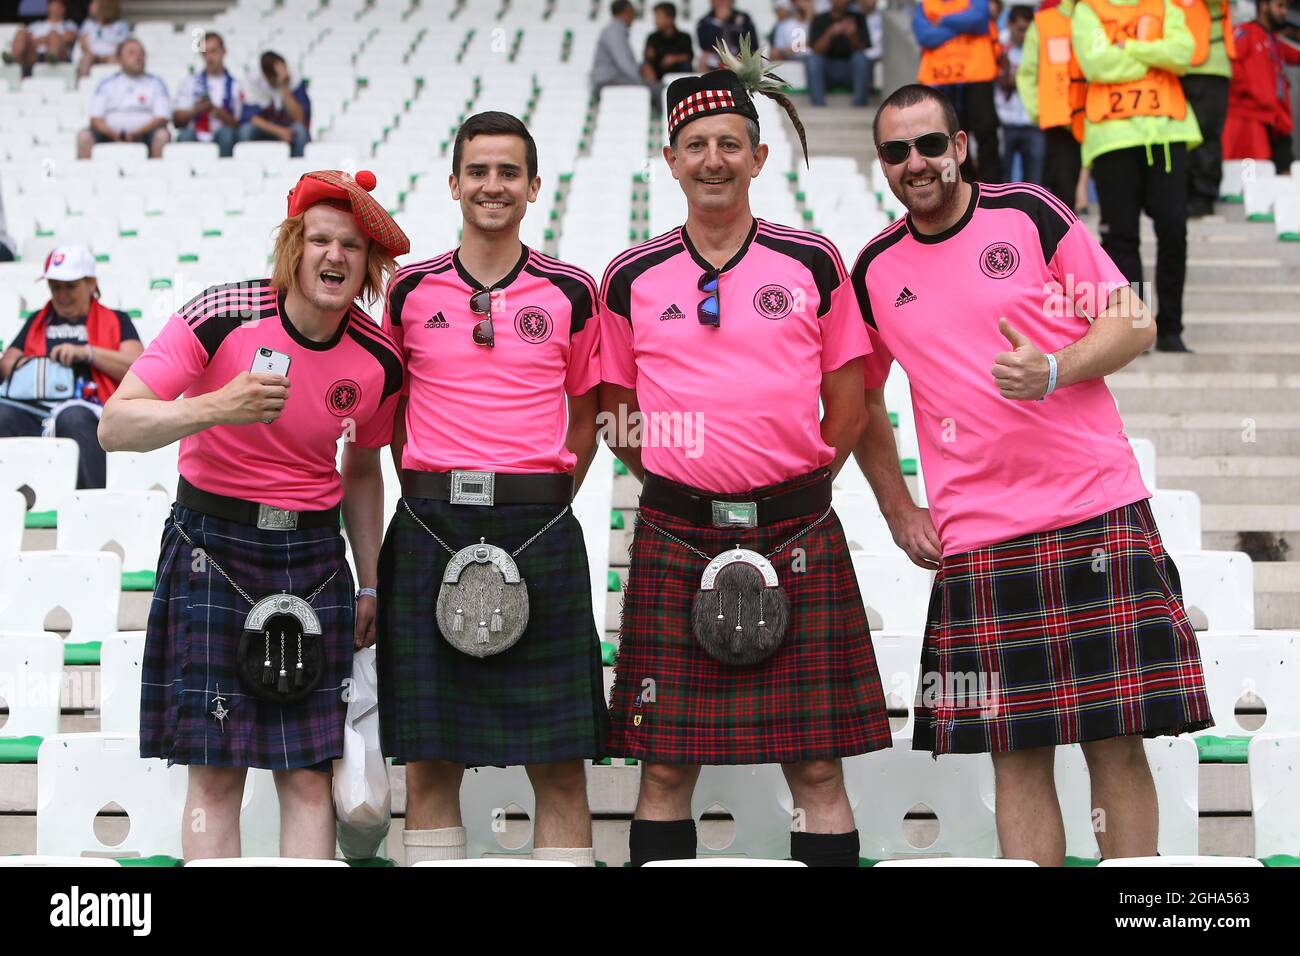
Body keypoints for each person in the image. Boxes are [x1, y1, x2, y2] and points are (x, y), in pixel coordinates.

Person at [848, 84, 1212, 867]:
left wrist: (1054, 368)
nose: (917, 163)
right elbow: (860, 400)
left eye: (930, 145)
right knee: (1015, 751)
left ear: (962, 145)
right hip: (981, 533)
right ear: (882, 164)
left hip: (1095, 510)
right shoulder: (875, 269)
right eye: (897, 151)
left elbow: (1133, 318)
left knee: (1115, 739)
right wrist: (895, 507)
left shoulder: (1030, 214)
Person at [598, 53, 892, 868]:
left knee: (818, 761)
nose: (713, 159)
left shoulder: (813, 262)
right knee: (662, 763)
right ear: (671, 159)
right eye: (696, 144)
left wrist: (792, 482)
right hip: (676, 528)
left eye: (730, 143)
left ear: (758, 158)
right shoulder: (629, 276)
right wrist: (682, 469)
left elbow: (851, 403)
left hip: (796, 529)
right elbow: (615, 411)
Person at [98, 170, 408, 861]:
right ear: (294, 249)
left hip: (313, 557)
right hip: (212, 544)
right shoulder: (221, 313)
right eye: (321, 240)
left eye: (352, 246)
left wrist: (369, 580)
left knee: (305, 776)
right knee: (215, 774)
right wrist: (217, 407)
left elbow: (361, 470)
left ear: (369, 264)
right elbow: (116, 425)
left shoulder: (378, 358)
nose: (335, 257)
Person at [377, 111, 608, 868]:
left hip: (538, 525)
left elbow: (588, 413)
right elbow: (393, 412)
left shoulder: (572, 290)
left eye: (509, 172)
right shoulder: (409, 288)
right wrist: (423, 497)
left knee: (560, 760)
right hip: (429, 522)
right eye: (478, 171)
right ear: (453, 183)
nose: (492, 186)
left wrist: (543, 498)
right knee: (430, 757)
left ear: (534, 186)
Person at [1074, 0, 1202, 353]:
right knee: (1121, 239)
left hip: (1167, 136)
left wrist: (1128, 47)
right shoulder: (1088, 9)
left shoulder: (1164, 5)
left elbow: (1183, 53)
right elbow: (1096, 64)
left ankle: (1171, 329)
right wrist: (1154, 57)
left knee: (1174, 229)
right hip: (1112, 139)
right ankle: (1137, 328)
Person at [0, 244, 141, 489]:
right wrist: (42, 365)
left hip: (94, 405)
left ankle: (89, 503)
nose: (61, 294)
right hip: (36, 409)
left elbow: (138, 367)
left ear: (91, 283)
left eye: (70, 286)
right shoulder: (38, 320)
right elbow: (8, 364)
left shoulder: (117, 319)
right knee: (3, 414)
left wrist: (87, 353)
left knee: (73, 417)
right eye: (55, 287)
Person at [913, 0, 1004, 181]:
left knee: (986, 133)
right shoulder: (926, 5)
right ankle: (961, 185)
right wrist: (963, 24)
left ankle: (992, 188)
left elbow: (978, 21)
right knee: (951, 138)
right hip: (941, 81)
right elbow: (925, 36)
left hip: (978, 77)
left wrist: (942, 21)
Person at [1016, 0, 1085, 210]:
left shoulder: (1104, 16)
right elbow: (1027, 72)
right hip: (1061, 122)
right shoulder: (1043, 23)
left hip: (1101, 119)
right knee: (1063, 193)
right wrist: (1039, 111)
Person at [1223, 0, 1300, 170]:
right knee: (1253, 174)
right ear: (1264, 6)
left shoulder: (1275, 41)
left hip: (1277, 120)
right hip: (1251, 120)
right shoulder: (1245, 32)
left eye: (1285, 7)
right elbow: (1229, 63)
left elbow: (1296, 56)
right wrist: (1251, 90)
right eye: (1279, 6)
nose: (1284, 12)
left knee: (1286, 175)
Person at [1181, 0, 1238, 217]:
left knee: (1206, 135)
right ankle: (1184, 194)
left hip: (1210, 68)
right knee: (1180, 138)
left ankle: (1203, 196)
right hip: (1173, 67)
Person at [75, 37, 171, 160]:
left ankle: (158, 176)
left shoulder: (157, 83)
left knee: (161, 135)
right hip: (109, 135)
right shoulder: (107, 84)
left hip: (145, 136)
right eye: (132, 53)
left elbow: (162, 118)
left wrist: (136, 133)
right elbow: (95, 119)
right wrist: (114, 134)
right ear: (119, 59)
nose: (138, 57)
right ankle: (84, 177)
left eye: (141, 53)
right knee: (84, 136)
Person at [173, 31, 243, 159]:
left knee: (227, 134)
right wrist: (197, 109)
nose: (209, 58)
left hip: (222, 135)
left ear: (224, 52)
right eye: (205, 53)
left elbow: (238, 124)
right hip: (195, 134)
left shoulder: (235, 84)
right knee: (185, 135)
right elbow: (177, 121)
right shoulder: (189, 82)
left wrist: (216, 111)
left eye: (213, 51)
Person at [997, 5, 1044, 182]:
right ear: (1009, 25)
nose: (1024, 35)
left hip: (1033, 122)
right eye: (1020, 29)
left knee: (1034, 180)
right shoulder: (999, 45)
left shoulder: (1038, 45)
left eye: (1028, 30)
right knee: (1002, 178)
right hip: (1005, 122)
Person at [240, 51, 311, 158]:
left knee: (300, 131)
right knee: (246, 130)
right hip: (265, 130)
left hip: (288, 130)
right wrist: (279, 132)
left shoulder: (295, 80)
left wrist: (284, 87)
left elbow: (300, 119)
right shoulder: (254, 82)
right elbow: (251, 117)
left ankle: (298, 169)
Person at [808, 0, 874, 107]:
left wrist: (852, 35)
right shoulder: (819, 19)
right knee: (814, 61)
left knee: (861, 59)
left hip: (850, 70)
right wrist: (830, 33)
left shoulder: (858, 18)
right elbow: (816, 50)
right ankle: (818, 105)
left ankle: (859, 105)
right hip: (827, 70)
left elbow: (863, 49)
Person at [591, 0, 654, 103]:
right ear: (627, 12)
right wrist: (641, 81)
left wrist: (642, 67)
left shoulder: (614, 29)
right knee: (657, 89)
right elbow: (624, 63)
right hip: (608, 80)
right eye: (633, 13)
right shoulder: (614, 31)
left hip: (613, 79)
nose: (634, 17)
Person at [6, 0, 77, 78]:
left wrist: (45, 39)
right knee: (21, 32)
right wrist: (46, 40)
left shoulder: (69, 25)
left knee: (53, 35)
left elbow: (70, 37)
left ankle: (51, 58)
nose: (56, 8)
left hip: (58, 57)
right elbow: (28, 39)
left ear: (64, 9)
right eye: (53, 5)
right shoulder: (36, 25)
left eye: (58, 6)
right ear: (48, 8)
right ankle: (12, 59)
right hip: (34, 56)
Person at [696, 0, 760, 71]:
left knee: (755, 56)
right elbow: (704, 45)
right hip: (717, 58)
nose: (721, 2)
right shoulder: (705, 21)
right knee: (703, 58)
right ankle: (706, 81)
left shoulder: (743, 17)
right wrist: (718, 22)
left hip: (739, 56)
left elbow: (753, 43)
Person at [76, 0, 128, 79]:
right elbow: (83, 43)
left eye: (95, 4)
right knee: (86, 58)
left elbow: (122, 45)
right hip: (92, 56)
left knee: (116, 60)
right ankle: (83, 84)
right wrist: (94, 55)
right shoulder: (88, 24)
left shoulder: (120, 25)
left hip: (112, 56)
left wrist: (107, 56)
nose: (91, 6)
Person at [643, 1, 695, 81]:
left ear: (670, 18)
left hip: (678, 73)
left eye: (659, 17)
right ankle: (653, 91)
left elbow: (689, 56)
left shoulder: (684, 37)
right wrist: (649, 55)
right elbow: (647, 58)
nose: (656, 21)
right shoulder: (652, 37)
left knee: (686, 66)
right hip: (658, 75)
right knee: (646, 67)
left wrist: (674, 58)